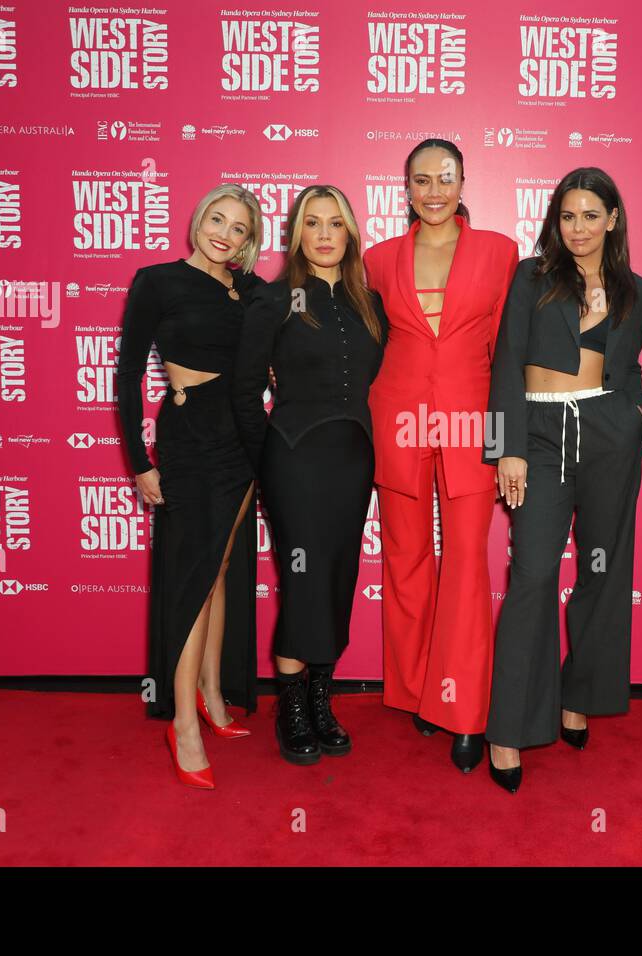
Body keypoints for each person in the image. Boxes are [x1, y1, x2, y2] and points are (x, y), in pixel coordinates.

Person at [483, 167, 642, 793]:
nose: (578, 228)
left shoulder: (639, 290)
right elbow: (506, 361)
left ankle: (578, 694)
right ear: (555, 221)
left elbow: (628, 366)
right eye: (568, 216)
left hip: (609, 435)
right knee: (532, 573)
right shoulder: (532, 279)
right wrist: (507, 448)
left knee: (602, 572)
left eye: (590, 215)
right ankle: (509, 728)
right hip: (538, 434)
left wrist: (637, 416)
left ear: (612, 219)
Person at [363, 138, 519, 773]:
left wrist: (504, 441)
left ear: (462, 183)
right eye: (421, 180)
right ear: (405, 189)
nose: (433, 191)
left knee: (464, 567)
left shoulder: (500, 253)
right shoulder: (376, 260)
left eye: (444, 179)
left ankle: (460, 707)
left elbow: (509, 358)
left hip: (471, 425)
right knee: (403, 560)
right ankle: (416, 690)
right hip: (396, 420)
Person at [116, 184, 265, 789]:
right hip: (191, 440)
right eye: (216, 219)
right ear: (197, 219)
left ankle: (211, 693)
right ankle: (182, 723)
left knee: (222, 566)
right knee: (192, 579)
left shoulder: (252, 291)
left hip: (245, 438)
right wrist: (139, 461)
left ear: (249, 241)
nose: (223, 233)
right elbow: (126, 375)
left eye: (238, 227)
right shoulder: (158, 281)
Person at [233, 185, 388, 765]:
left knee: (339, 574)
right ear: (295, 233)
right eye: (312, 223)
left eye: (335, 224)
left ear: (349, 233)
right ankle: (292, 705)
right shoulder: (276, 301)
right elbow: (247, 393)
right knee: (302, 577)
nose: (324, 234)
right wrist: (259, 466)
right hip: (293, 458)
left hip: (353, 460)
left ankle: (322, 699)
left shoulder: (370, 303)